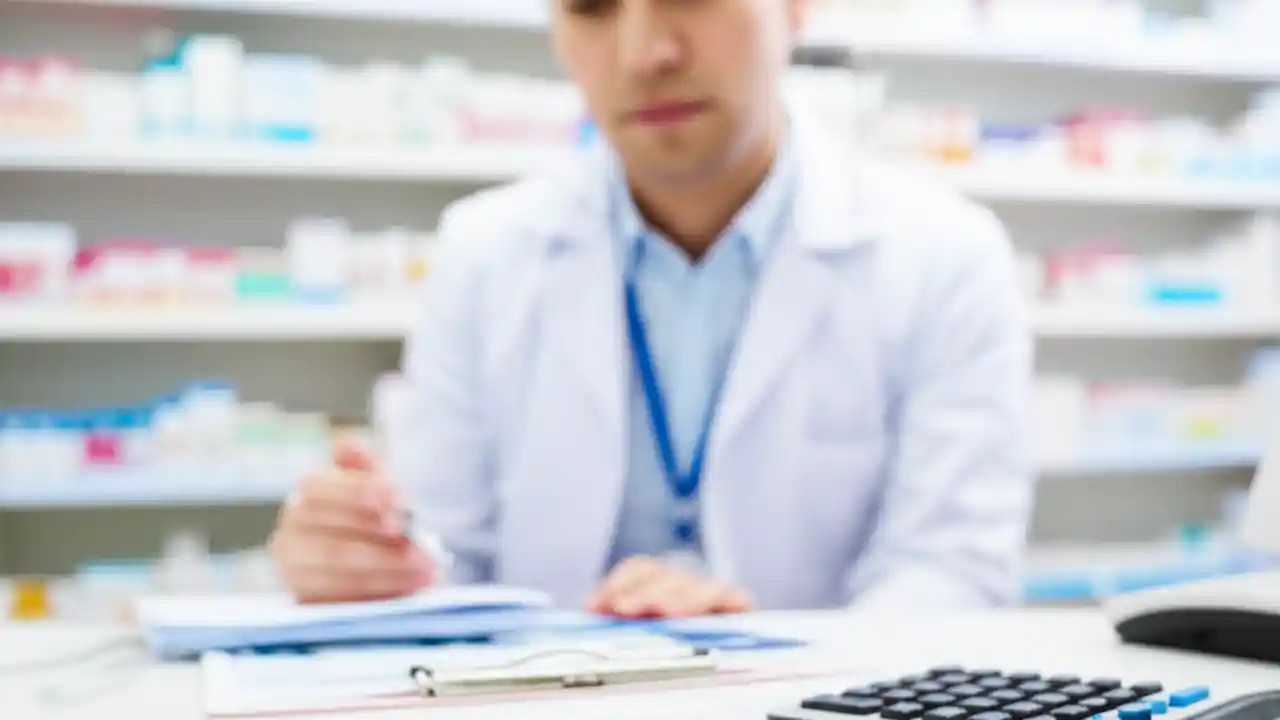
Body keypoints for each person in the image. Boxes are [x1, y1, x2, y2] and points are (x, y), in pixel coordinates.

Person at [269, 0, 1033, 617]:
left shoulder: (947, 257)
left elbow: (950, 575)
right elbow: (446, 558)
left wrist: (770, 663)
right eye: (592, 7)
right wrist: (367, 564)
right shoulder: (482, 252)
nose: (645, 53)